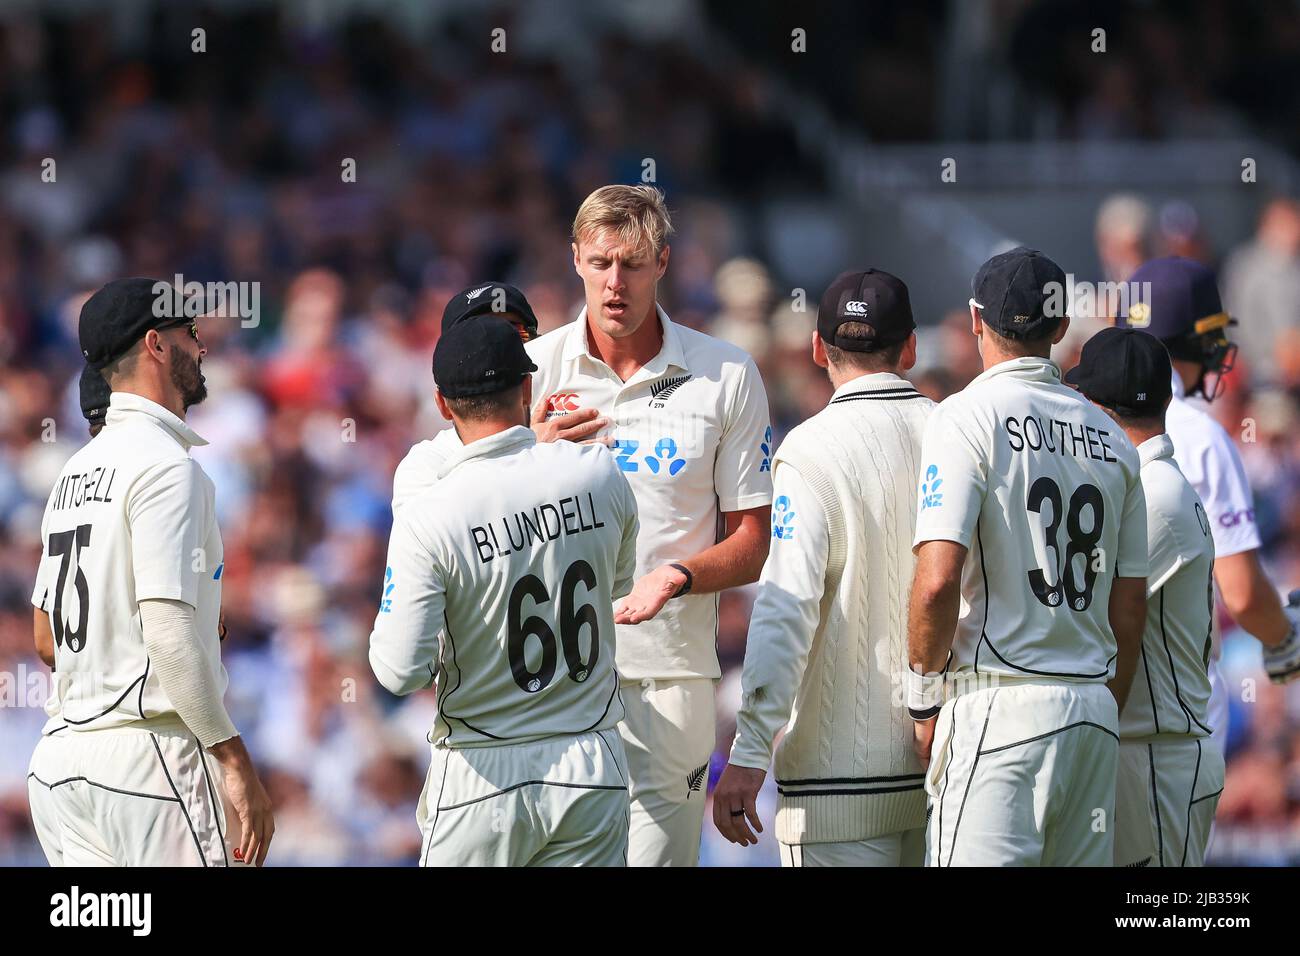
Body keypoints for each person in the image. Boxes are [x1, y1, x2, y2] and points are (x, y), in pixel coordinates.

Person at [525, 184, 773, 866]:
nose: (615, 282)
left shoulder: (725, 373)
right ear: (574, 259)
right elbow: (469, 519)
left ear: (663, 263)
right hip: (552, 676)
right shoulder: (532, 371)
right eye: (600, 262)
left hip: (671, 675)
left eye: (633, 264)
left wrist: (678, 575)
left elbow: (753, 541)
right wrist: (530, 459)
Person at [908, 247, 1149, 866]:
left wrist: (922, 698)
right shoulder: (1116, 441)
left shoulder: (965, 415)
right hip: (1092, 710)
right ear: (1062, 328)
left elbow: (937, 581)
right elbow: (1130, 610)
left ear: (975, 320)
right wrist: (1099, 706)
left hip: (1000, 707)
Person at [369, 317, 640, 866]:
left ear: (443, 405)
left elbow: (399, 673)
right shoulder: (598, 472)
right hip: (592, 763)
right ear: (527, 389)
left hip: (482, 772)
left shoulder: (430, 512)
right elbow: (617, 585)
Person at [28, 277, 273, 867]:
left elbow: (46, 639)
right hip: (148, 761)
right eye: (190, 332)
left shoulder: (74, 470)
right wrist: (233, 757)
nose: (202, 345)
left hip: (62, 763)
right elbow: (167, 633)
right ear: (156, 345)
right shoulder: (167, 467)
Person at [713, 269, 934, 866]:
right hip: (950, 774)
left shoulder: (808, 449)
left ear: (818, 348)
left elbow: (785, 610)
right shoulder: (956, 433)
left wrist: (749, 752)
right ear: (911, 348)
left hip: (836, 791)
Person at [1114, 258, 1300, 749]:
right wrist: (1285, 636)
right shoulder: (1199, 437)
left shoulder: (1075, 417)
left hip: (1080, 703)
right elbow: (1242, 594)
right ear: (1188, 338)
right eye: (1211, 333)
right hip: (1168, 715)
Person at [1066, 327, 1224, 866]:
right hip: (1150, 753)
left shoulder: (1155, 493)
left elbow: (1087, 607)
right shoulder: (1153, 482)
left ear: (1098, 409)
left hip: (1158, 757)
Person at [391, 281, 610, 513]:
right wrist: (528, 455)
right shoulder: (426, 464)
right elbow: (439, 527)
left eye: (515, 334)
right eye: (475, 338)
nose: (495, 349)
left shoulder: (585, 418)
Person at [27, 364, 112, 865]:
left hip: (58, 747)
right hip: (131, 745)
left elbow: (45, 641)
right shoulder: (159, 471)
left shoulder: (66, 479)